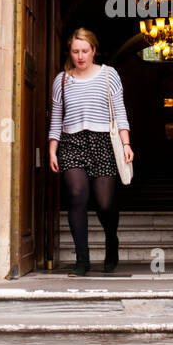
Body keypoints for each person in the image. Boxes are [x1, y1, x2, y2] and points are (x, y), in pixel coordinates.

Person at [48, 28, 133, 275]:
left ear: (94, 51)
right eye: (75, 51)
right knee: (76, 196)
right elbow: (56, 118)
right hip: (71, 142)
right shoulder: (62, 80)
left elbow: (120, 112)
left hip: (103, 142)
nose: (80, 56)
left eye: (85, 51)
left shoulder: (109, 75)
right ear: (70, 52)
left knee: (105, 204)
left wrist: (126, 144)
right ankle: (82, 261)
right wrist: (53, 149)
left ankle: (111, 242)